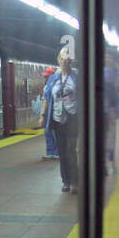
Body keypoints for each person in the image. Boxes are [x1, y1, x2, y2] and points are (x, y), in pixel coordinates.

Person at [52, 51, 80, 194]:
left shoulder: (76, 77)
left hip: (72, 118)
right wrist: (43, 114)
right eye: (62, 59)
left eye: (67, 59)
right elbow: (47, 96)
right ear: (59, 60)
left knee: (71, 149)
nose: (64, 61)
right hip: (58, 119)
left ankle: (75, 181)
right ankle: (66, 181)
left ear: (70, 62)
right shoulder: (54, 78)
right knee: (62, 152)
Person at [38, 65, 59, 159]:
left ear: (53, 75)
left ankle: (58, 153)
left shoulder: (57, 85)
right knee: (48, 131)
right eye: (45, 76)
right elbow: (45, 100)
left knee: (55, 132)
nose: (45, 77)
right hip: (49, 112)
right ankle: (51, 152)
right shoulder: (47, 86)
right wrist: (42, 115)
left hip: (56, 112)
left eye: (47, 76)